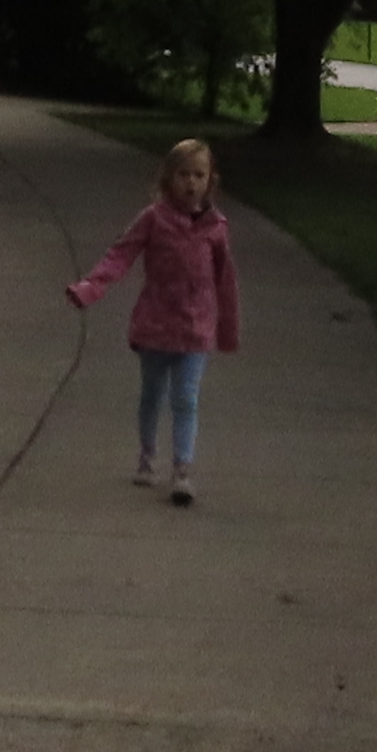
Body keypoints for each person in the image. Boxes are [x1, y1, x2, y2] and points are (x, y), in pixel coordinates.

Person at [66, 138, 244, 504]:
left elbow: (225, 281)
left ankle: (182, 470)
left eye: (199, 175)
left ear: (211, 180)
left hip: (196, 329)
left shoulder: (216, 227)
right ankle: (147, 455)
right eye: (183, 175)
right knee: (152, 394)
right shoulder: (154, 218)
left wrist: (226, 329)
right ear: (168, 178)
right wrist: (91, 287)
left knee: (186, 399)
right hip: (156, 325)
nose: (191, 183)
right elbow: (121, 254)